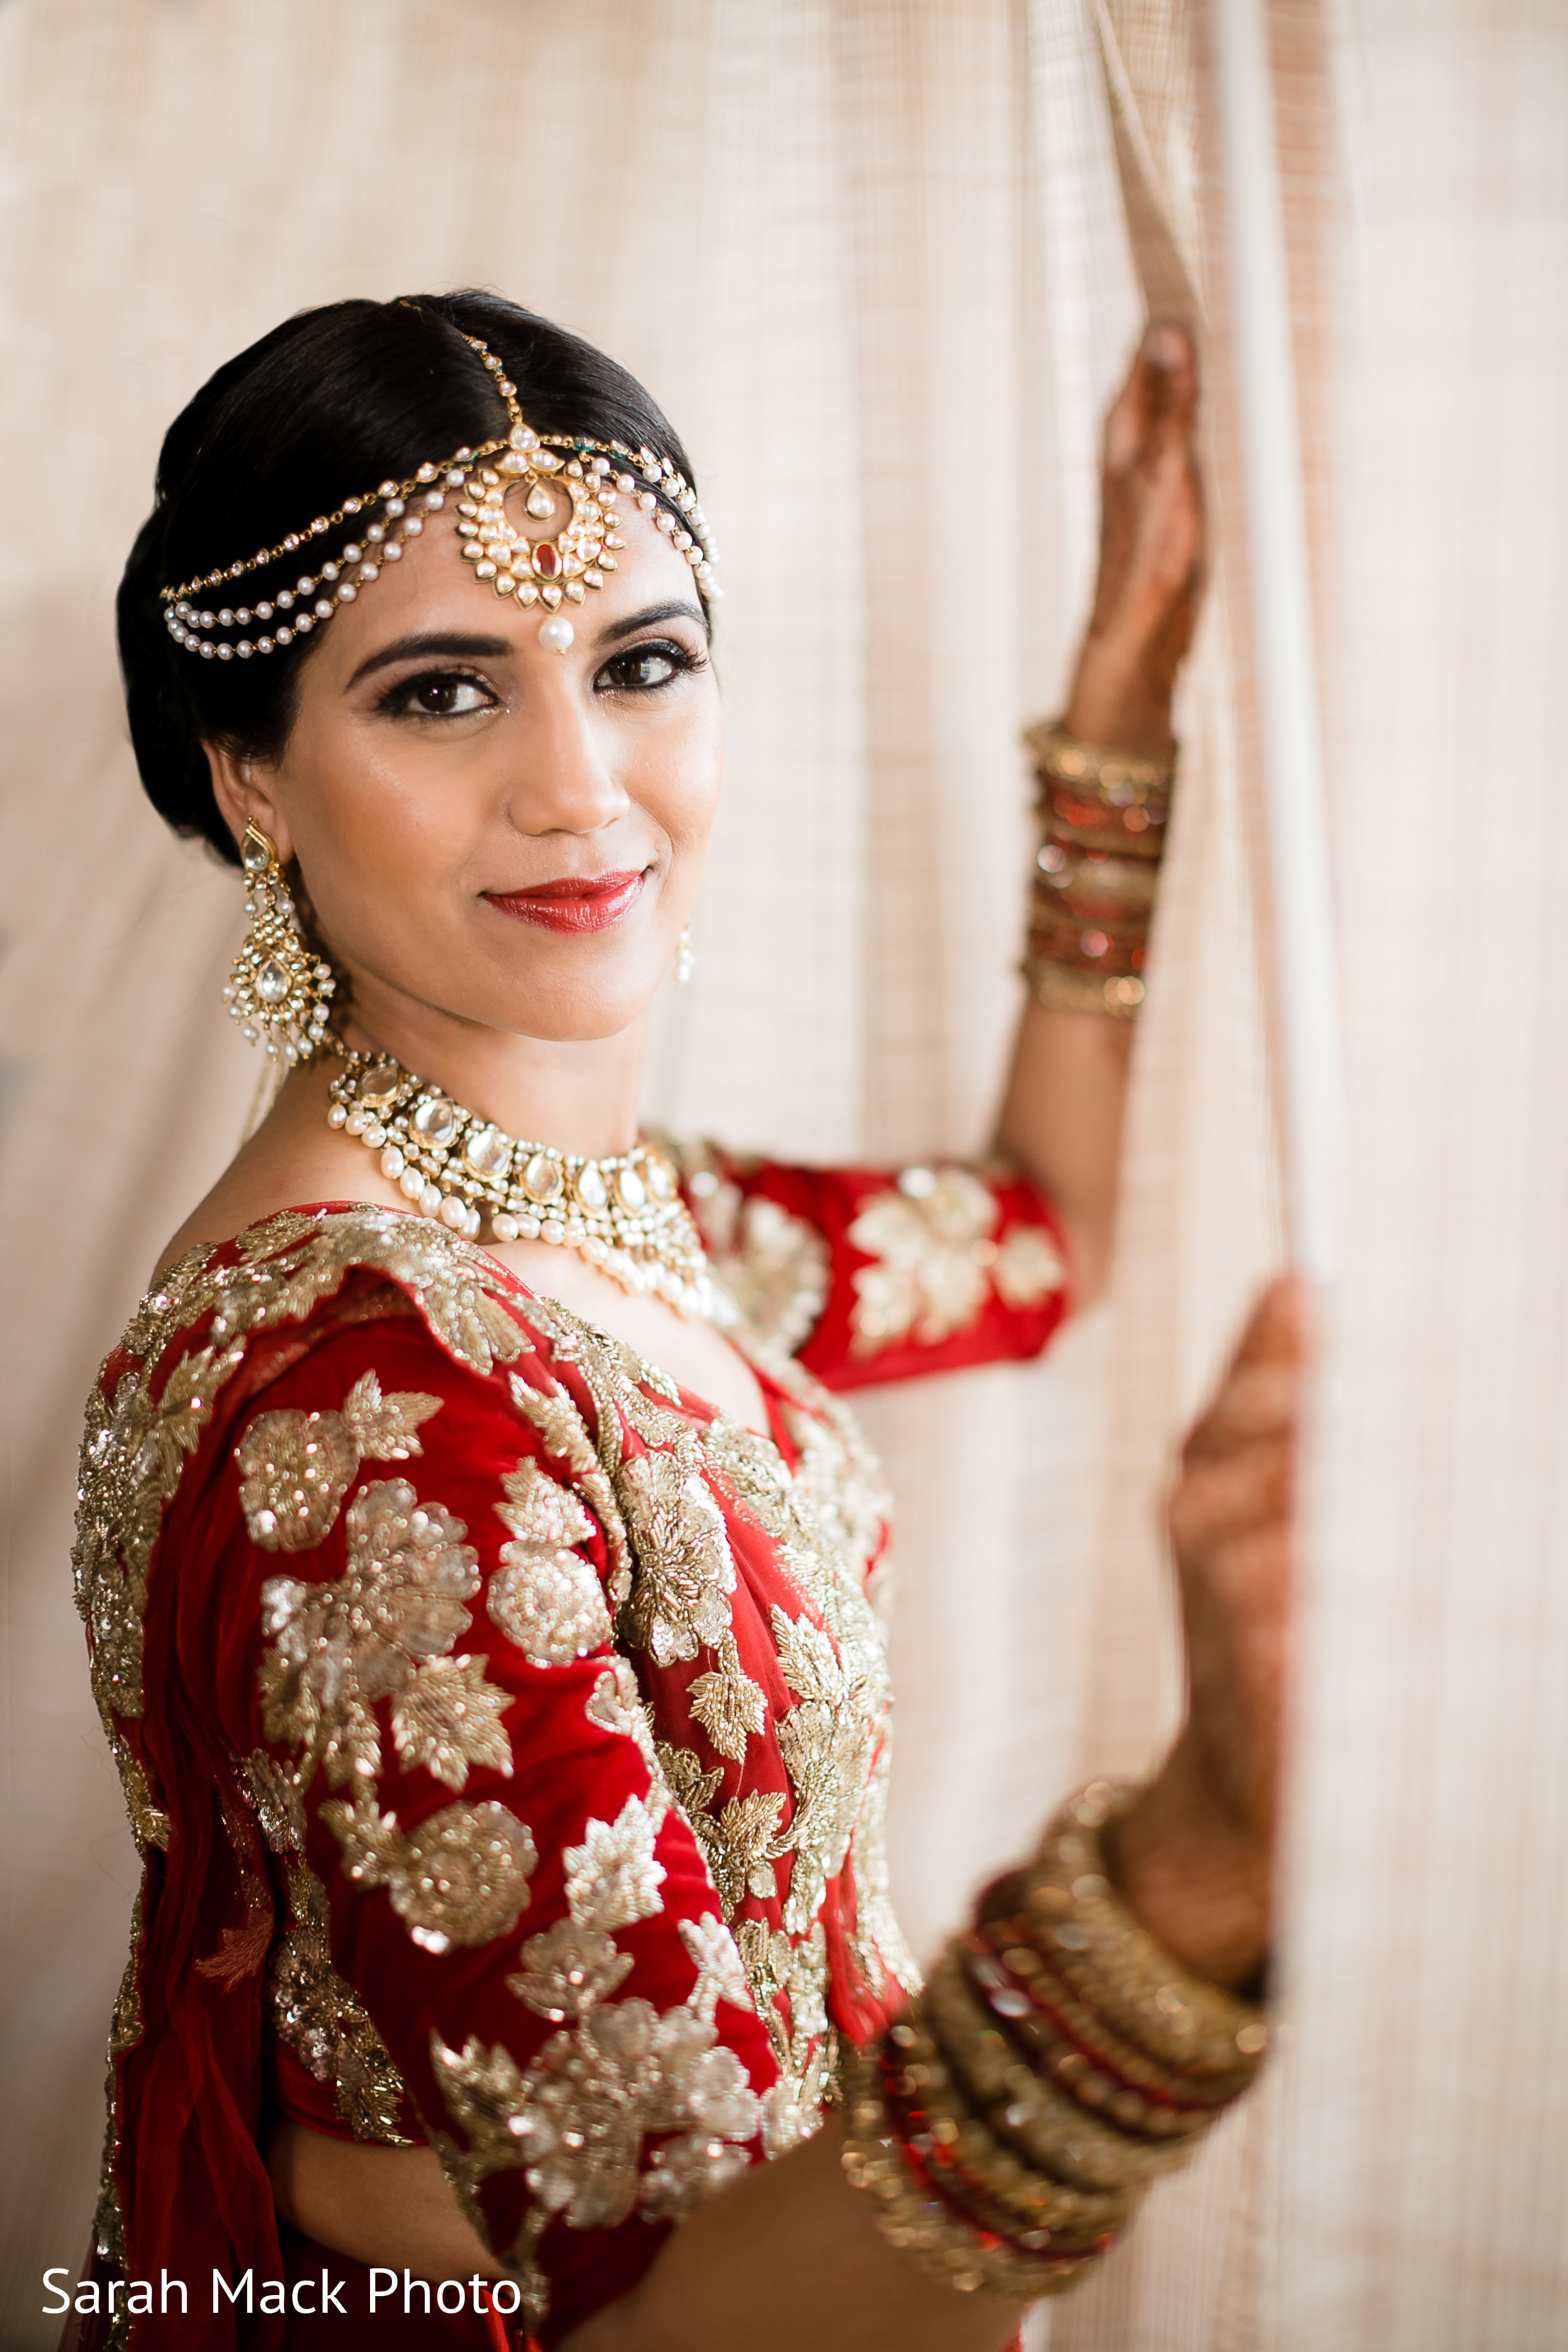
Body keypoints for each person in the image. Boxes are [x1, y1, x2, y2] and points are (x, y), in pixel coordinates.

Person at [70, 289, 1297, 2352]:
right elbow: (685, 2317)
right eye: (442, 694)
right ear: (251, 780)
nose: (581, 786)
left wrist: (1121, 705)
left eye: (641, 665)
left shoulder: (644, 1227)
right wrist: (1182, 1887)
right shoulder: (376, 1410)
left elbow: (1036, 1238)